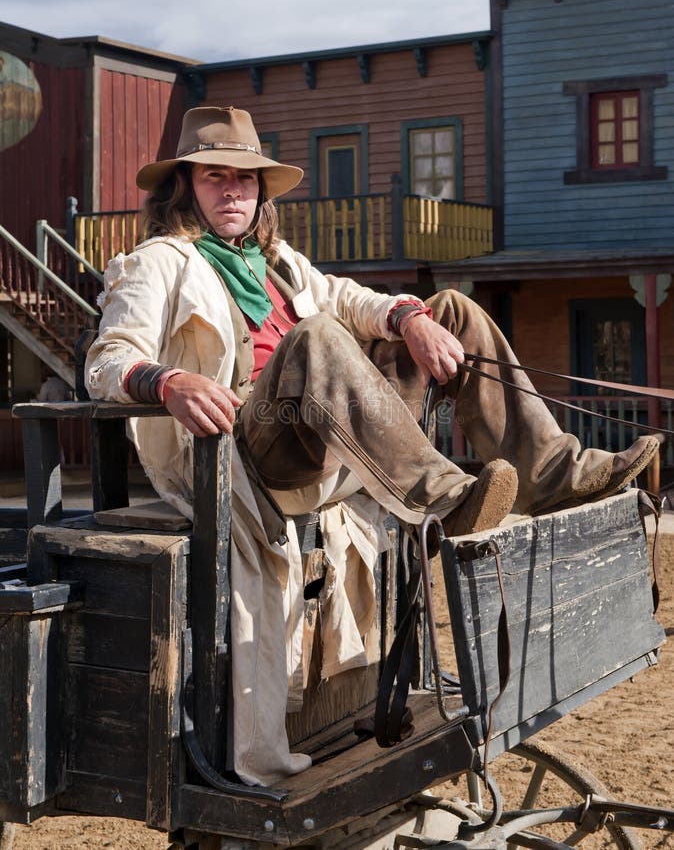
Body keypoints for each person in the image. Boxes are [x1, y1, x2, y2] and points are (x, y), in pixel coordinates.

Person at [85, 106, 658, 785]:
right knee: (318, 337)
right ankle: (442, 497)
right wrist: (169, 379)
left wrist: (409, 317)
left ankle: (552, 470)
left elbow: (352, 298)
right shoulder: (159, 264)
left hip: (319, 433)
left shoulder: (279, 264)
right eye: (216, 179)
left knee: (452, 310)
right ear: (186, 188)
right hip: (240, 451)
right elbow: (106, 361)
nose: (233, 193)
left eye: (246, 180)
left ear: (261, 192)